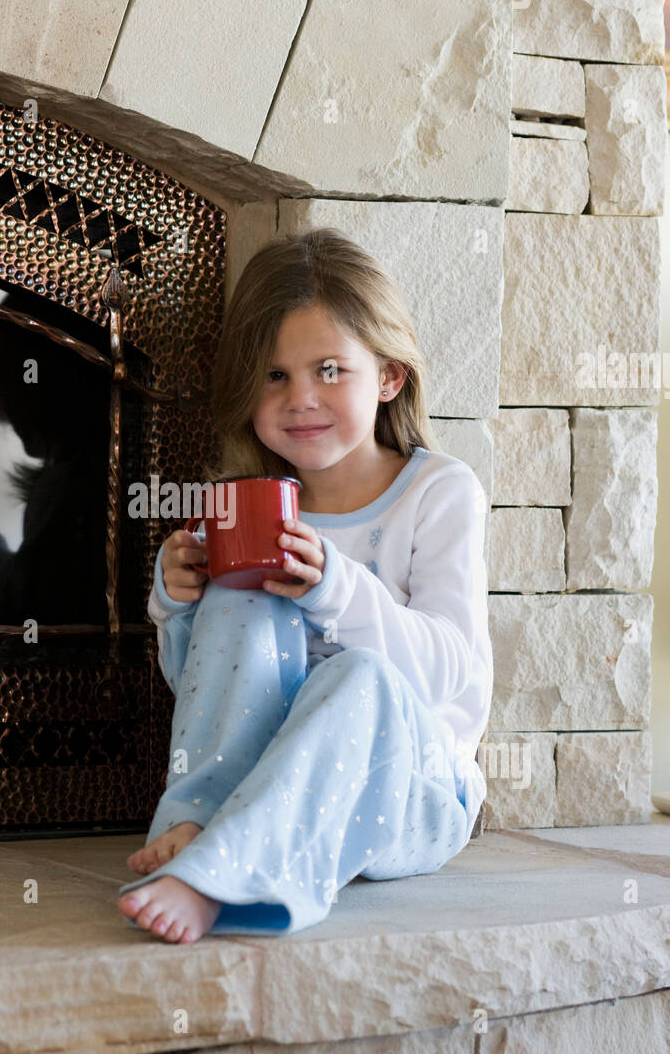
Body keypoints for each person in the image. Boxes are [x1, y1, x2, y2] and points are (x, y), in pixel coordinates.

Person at [116, 228, 493, 943]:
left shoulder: (439, 492)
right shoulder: (245, 501)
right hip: (261, 786)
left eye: (328, 369)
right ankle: (196, 823)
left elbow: (451, 671)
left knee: (358, 676)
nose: (300, 399)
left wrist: (335, 590)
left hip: (411, 793)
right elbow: (202, 690)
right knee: (238, 591)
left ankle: (221, 876)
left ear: (388, 376)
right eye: (274, 376)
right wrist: (175, 605)